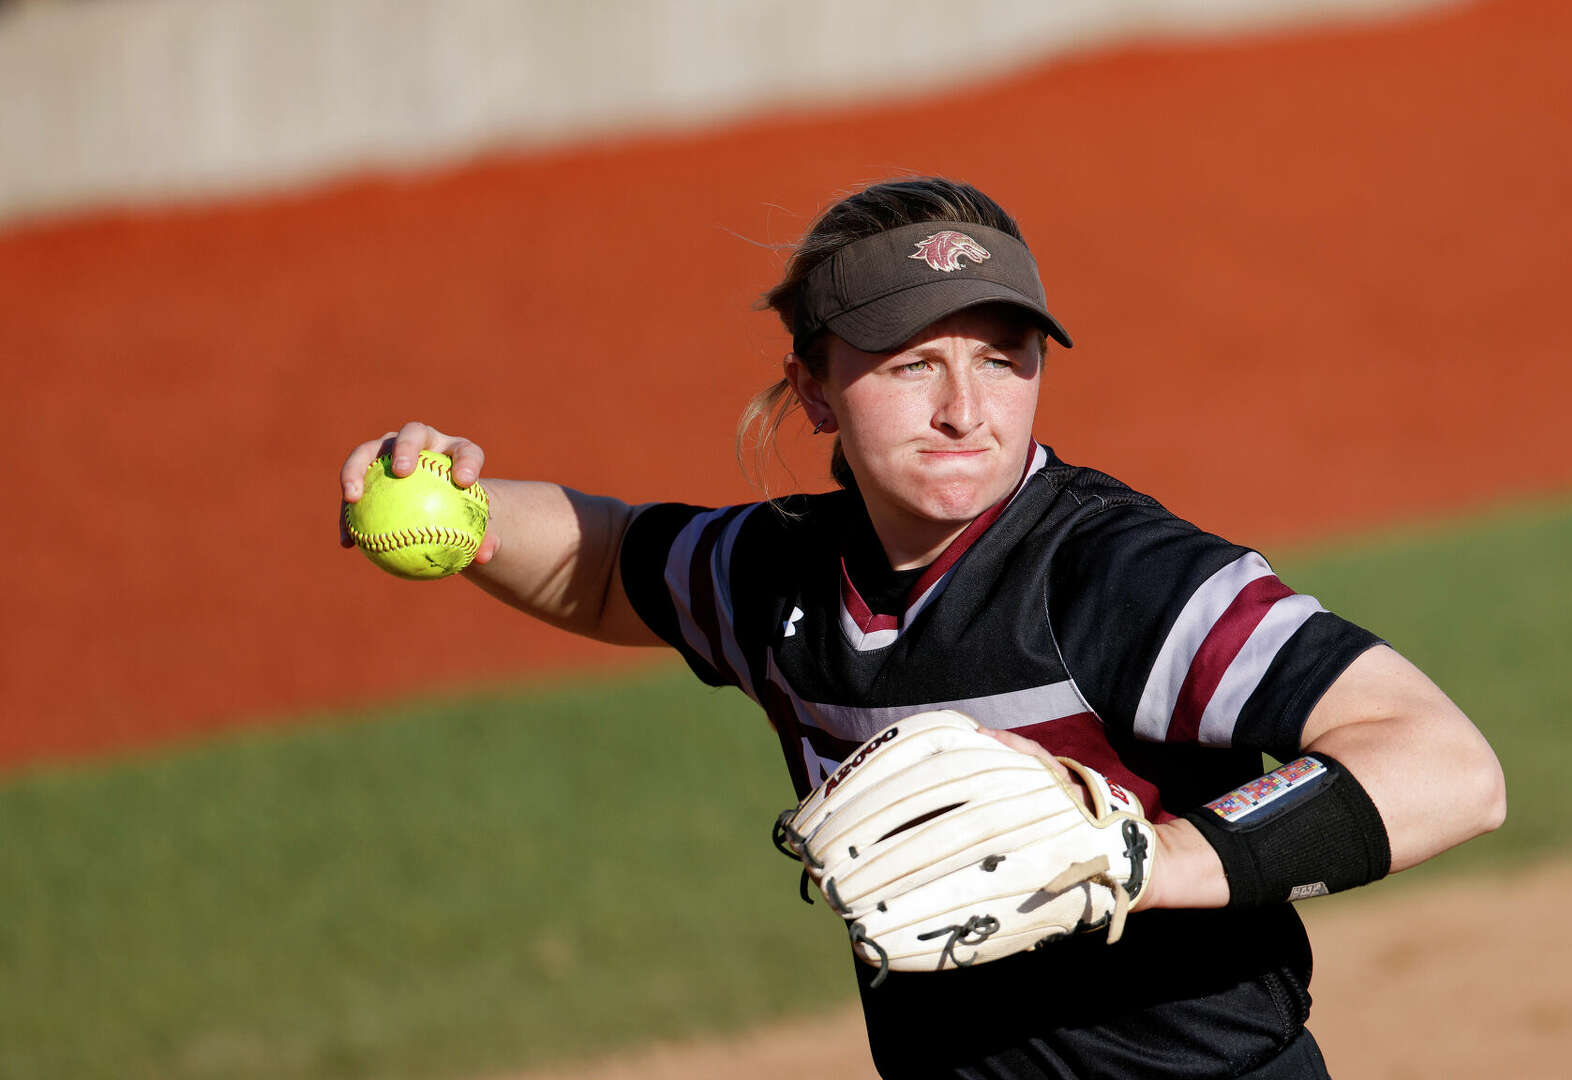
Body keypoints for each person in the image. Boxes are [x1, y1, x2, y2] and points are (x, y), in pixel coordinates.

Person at [336, 177, 1504, 1079]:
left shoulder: (1113, 579)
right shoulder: (780, 581)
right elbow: (605, 568)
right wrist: (470, 513)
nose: (966, 410)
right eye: (912, 364)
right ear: (813, 388)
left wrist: (1140, 863)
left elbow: (1445, 764)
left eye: (1005, 360)